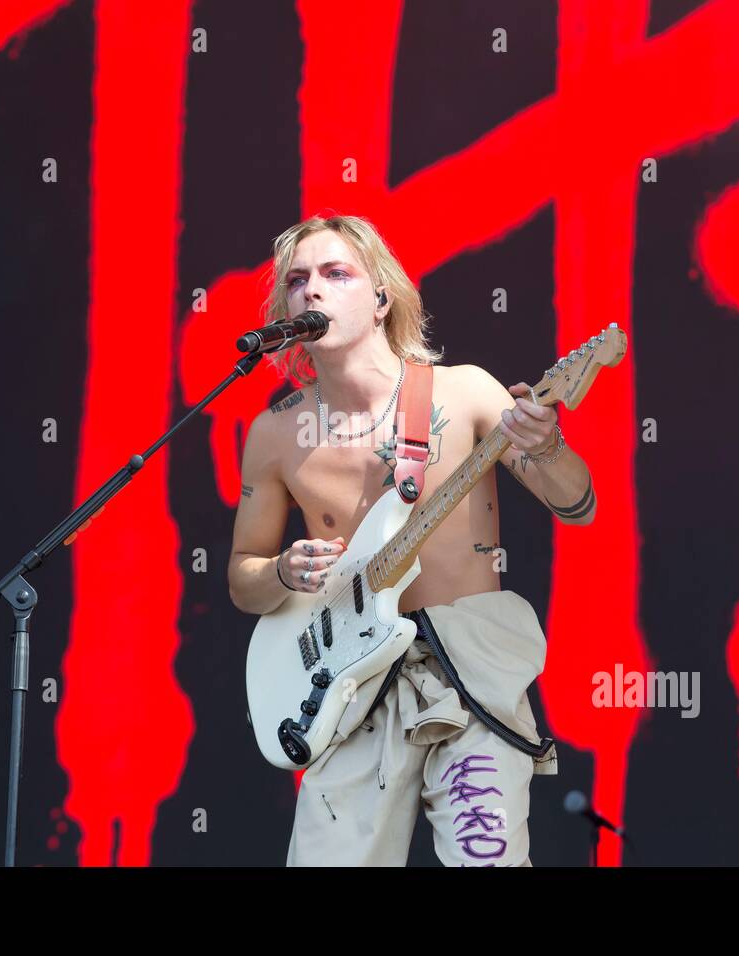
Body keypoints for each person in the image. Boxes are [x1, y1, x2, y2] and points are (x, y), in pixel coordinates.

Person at [227, 214, 595, 866]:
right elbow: (243, 580)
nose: (311, 290)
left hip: (470, 673)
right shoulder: (276, 434)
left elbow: (578, 508)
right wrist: (282, 571)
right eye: (297, 280)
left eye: (336, 273)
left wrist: (551, 444)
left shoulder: (466, 391)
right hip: (347, 689)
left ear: (380, 298)